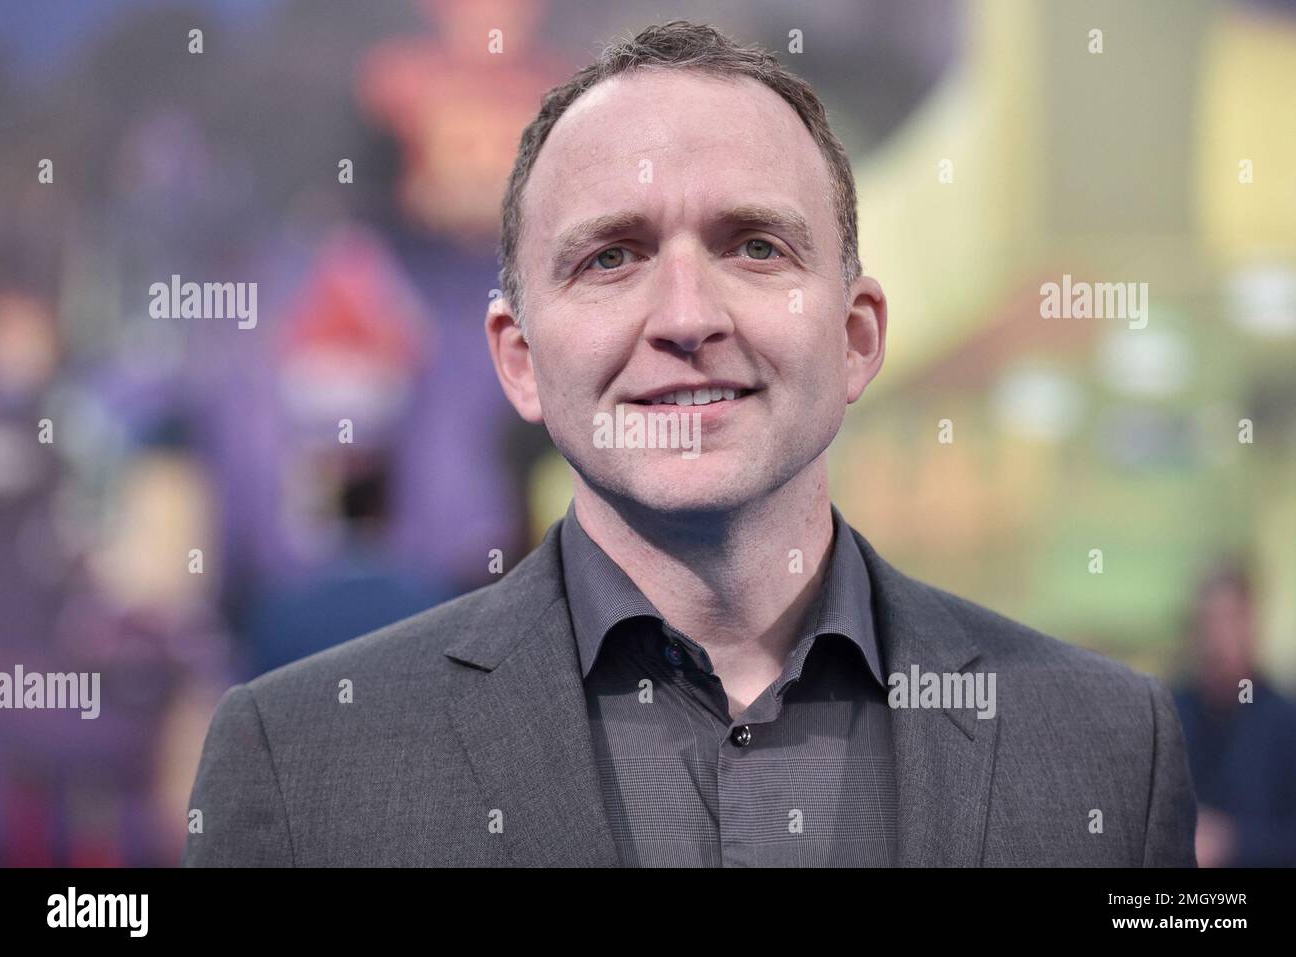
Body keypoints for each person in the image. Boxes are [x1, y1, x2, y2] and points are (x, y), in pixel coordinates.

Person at [183, 20, 1196, 867]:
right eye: (611, 257)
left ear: (855, 338)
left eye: (754, 247)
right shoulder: (302, 766)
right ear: (519, 358)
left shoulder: (1108, 751)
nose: (684, 316)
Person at [1173, 563, 1296, 867]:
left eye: (1229, 620)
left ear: (1251, 625)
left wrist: (1232, 843)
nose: (1217, 637)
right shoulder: (1171, 713)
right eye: (1208, 621)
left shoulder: (1285, 723)